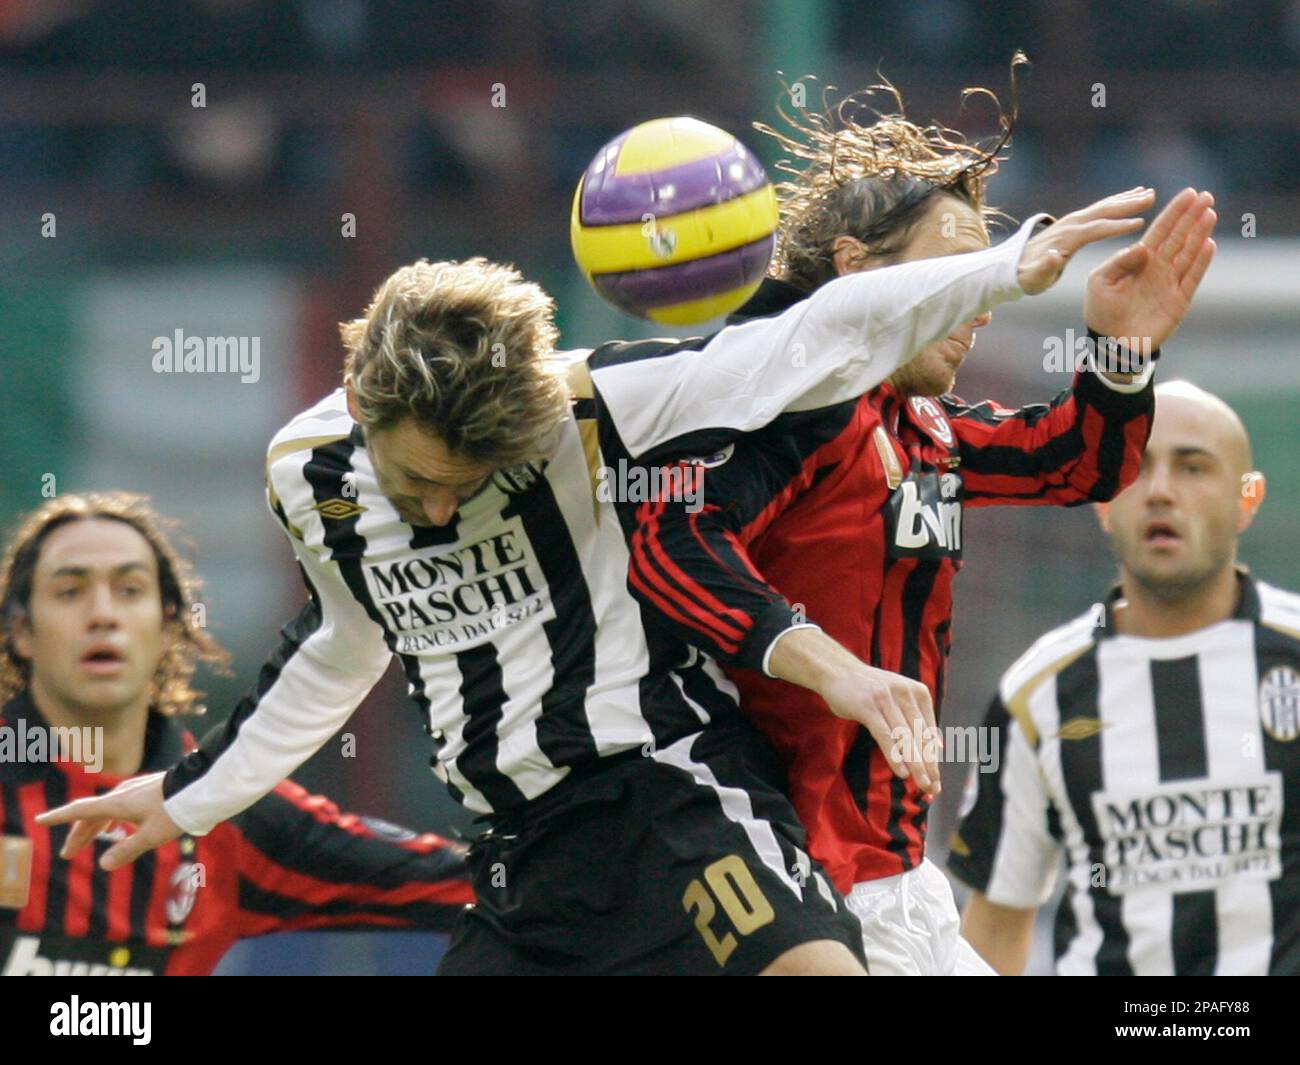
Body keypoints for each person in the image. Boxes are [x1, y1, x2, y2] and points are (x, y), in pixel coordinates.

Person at [39, 190, 1156, 975]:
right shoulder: (305, 470)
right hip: (519, 851)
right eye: (420, 483)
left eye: (469, 485)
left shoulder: (589, 409)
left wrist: (1010, 268)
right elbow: (343, 641)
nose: (440, 512)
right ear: (364, 411)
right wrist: (188, 798)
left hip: (668, 789)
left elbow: (804, 340)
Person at [622, 83, 1216, 974]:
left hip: (898, 872)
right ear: (856, 271)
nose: (980, 308)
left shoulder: (922, 426)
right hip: (792, 873)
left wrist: (1121, 353)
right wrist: (831, 666)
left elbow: (1070, 461)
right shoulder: (781, 411)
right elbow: (671, 546)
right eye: (953, 279)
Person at [0, 492, 473, 976]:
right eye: (70, 591)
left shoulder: (228, 813)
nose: (103, 614)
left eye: (130, 590)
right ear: (21, 630)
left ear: (168, 625)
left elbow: (470, 886)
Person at [950, 382, 1299, 975]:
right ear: (1103, 501)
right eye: (1136, 468)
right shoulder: (1039, 693)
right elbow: (996, 927)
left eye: (1193, 468)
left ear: (1248, 499)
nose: (1160, 491)